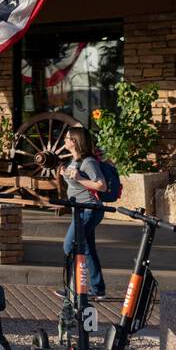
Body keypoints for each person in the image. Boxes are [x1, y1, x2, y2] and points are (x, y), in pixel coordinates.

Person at [60, 126, 108, 299]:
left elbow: (101, 185)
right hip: (79, 210)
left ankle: (74, 288)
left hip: (89, 210)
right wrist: (64, 174)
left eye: (66, 138)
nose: (64, 140)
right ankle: (98, 289)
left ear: (74, 141)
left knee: (70, 246)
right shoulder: (74, 160)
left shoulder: (89, 162)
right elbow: (76, 184)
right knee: (87, 249)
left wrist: (79, 178)